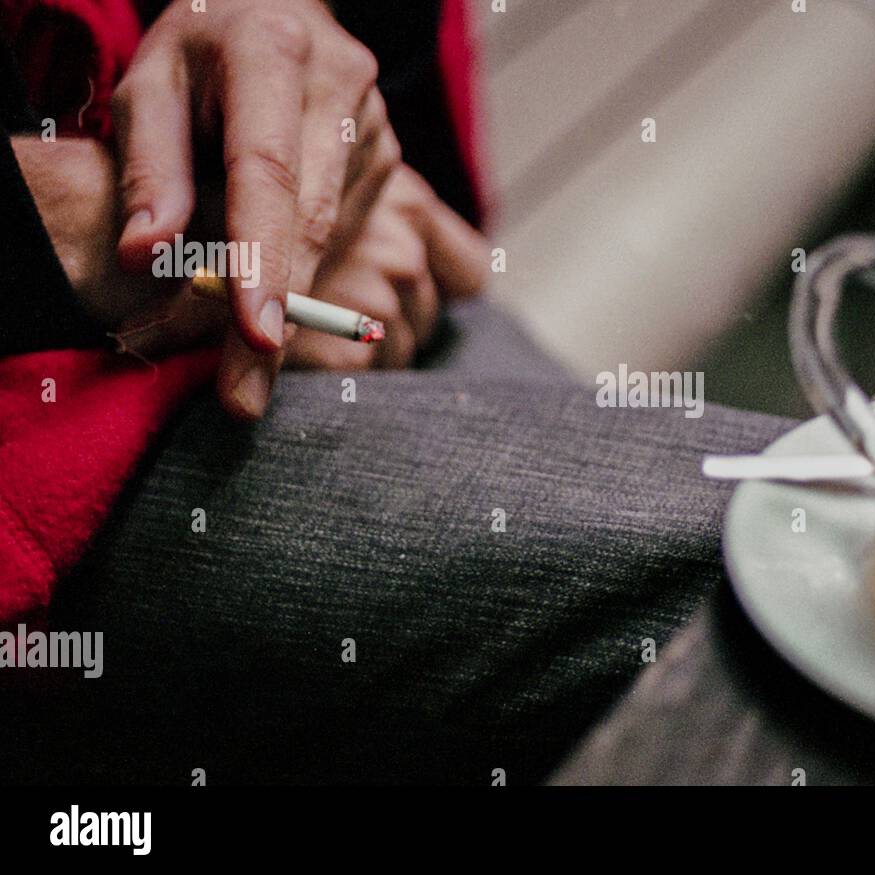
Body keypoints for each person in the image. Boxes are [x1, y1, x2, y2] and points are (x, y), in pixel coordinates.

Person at [0, 0, 790, 783]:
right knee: (778, 562)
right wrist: (81, 218)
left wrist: (290, 78)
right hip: (59, 450)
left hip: (335, 267)